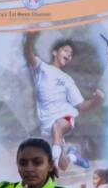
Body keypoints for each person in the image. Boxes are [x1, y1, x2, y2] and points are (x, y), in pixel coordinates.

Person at [23, 32, 101, 172]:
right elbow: (29, 55)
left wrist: (96, 100)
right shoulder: (42, 68)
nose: (69, 55)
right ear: (54, 52)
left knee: (57, 127)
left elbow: (81, 105)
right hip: (46, 122)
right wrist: (29, 38)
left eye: (71, 54)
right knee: (63, 165)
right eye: (65, 50)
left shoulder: (67, 80)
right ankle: (72, 156)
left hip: (65, 117)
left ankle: (51, 165)